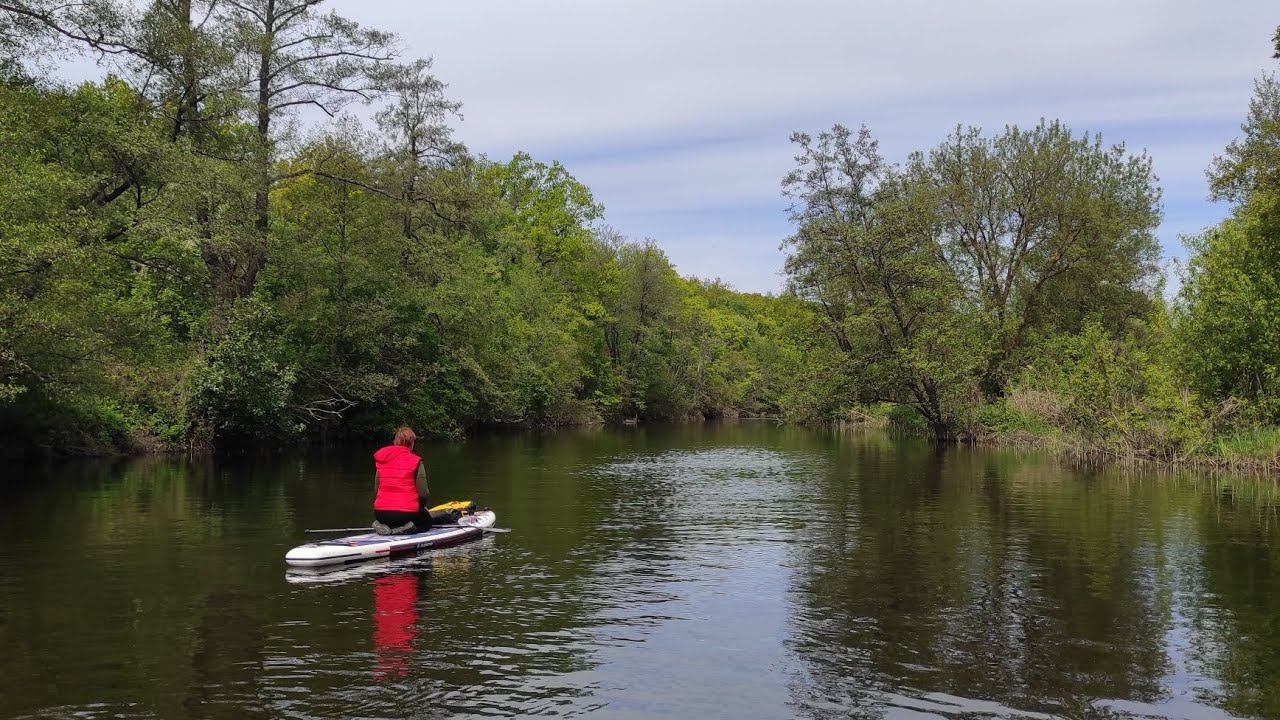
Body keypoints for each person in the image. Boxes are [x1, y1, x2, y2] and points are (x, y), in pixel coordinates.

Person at [372, 426, 433, 534]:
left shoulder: (382, 459)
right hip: (405, 513)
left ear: (395, 441)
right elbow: (423, 493)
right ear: (412, 443)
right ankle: (403, 529)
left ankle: (380, 525)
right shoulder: (416, 461)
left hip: (380, 513)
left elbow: (376, 490)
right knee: (426, 522)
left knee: (390, 518)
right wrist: (422, 507)